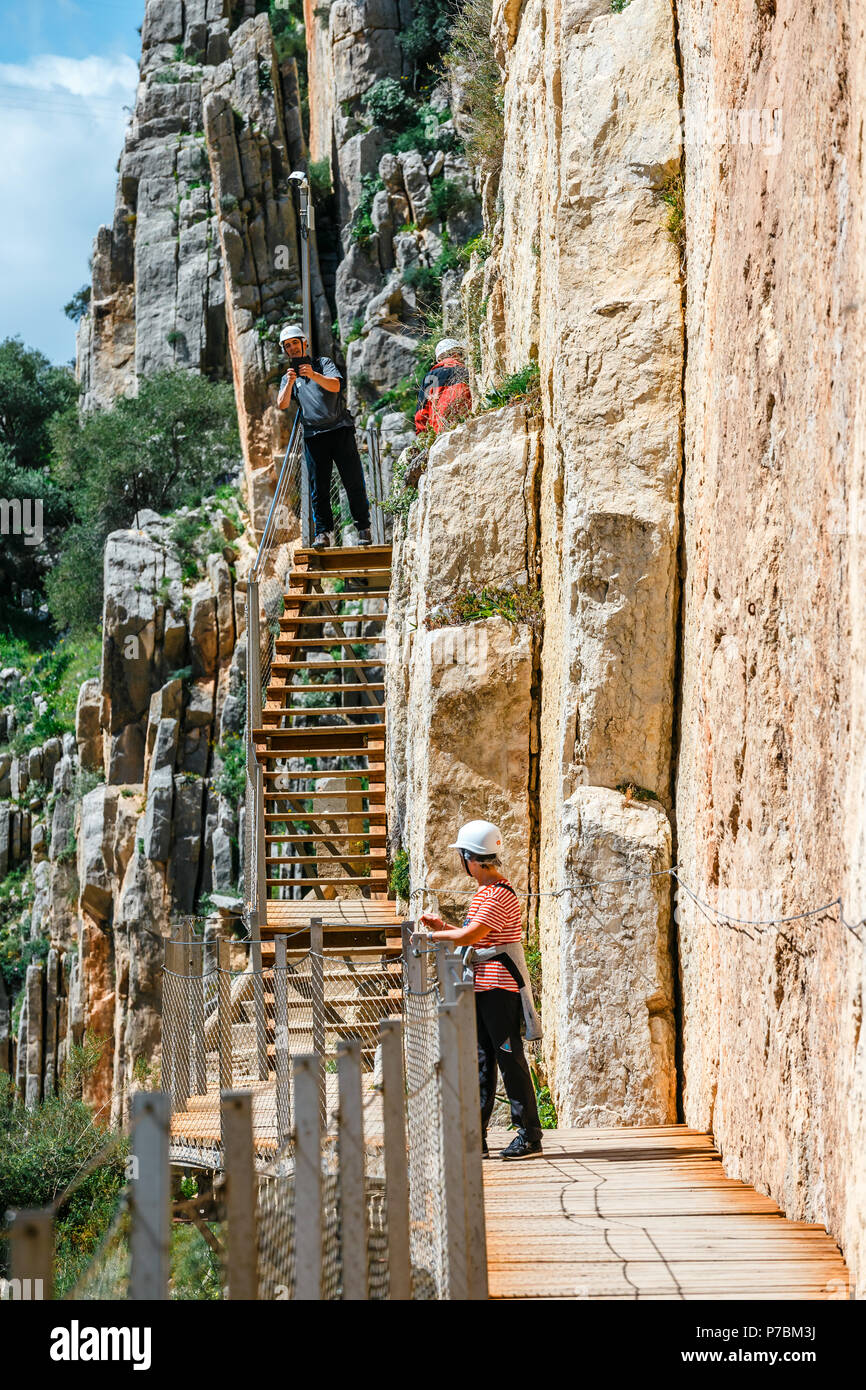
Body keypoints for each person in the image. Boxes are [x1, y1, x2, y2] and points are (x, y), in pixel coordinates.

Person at [419, 819, 544, 1160]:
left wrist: (433, 936)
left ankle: (529, 1134)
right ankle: (476, 1136)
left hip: (498, 990)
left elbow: (471, 937)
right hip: (488, 988)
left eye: (462, 855)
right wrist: (444, 928)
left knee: (507, 1058)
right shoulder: (491, 893)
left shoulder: (495, 895)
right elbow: (476, 933)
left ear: (470, 858)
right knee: (484, 1060)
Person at [277, 322, 372, 549]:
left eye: (294, 343)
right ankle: (323, 533)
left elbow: (336, 386)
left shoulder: (323, 363)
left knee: (353, 480)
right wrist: (290, 382)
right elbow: (281, 403)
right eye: (287, 346)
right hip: (314, 435)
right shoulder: (288, 377)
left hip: (340, 429)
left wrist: (314, 374)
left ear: (304, 344)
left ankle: (363, 528)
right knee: (318, 487)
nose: (291, 348)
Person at [414, 338, 472, 435]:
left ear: (440, 359)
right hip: (467, 426)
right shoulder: (467, 372)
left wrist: (424, 435)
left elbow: (421, 414)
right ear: (457, 354)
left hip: (439, 432)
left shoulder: (431, 377)